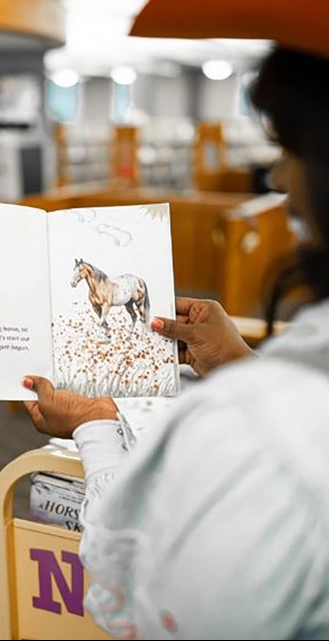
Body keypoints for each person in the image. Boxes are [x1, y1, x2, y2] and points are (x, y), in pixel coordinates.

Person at [20, 1, 329, 638]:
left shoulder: (255, 439)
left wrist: (99, 428)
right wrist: (240, 364)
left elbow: (125, 597)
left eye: (293, 149)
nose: (279, 177)